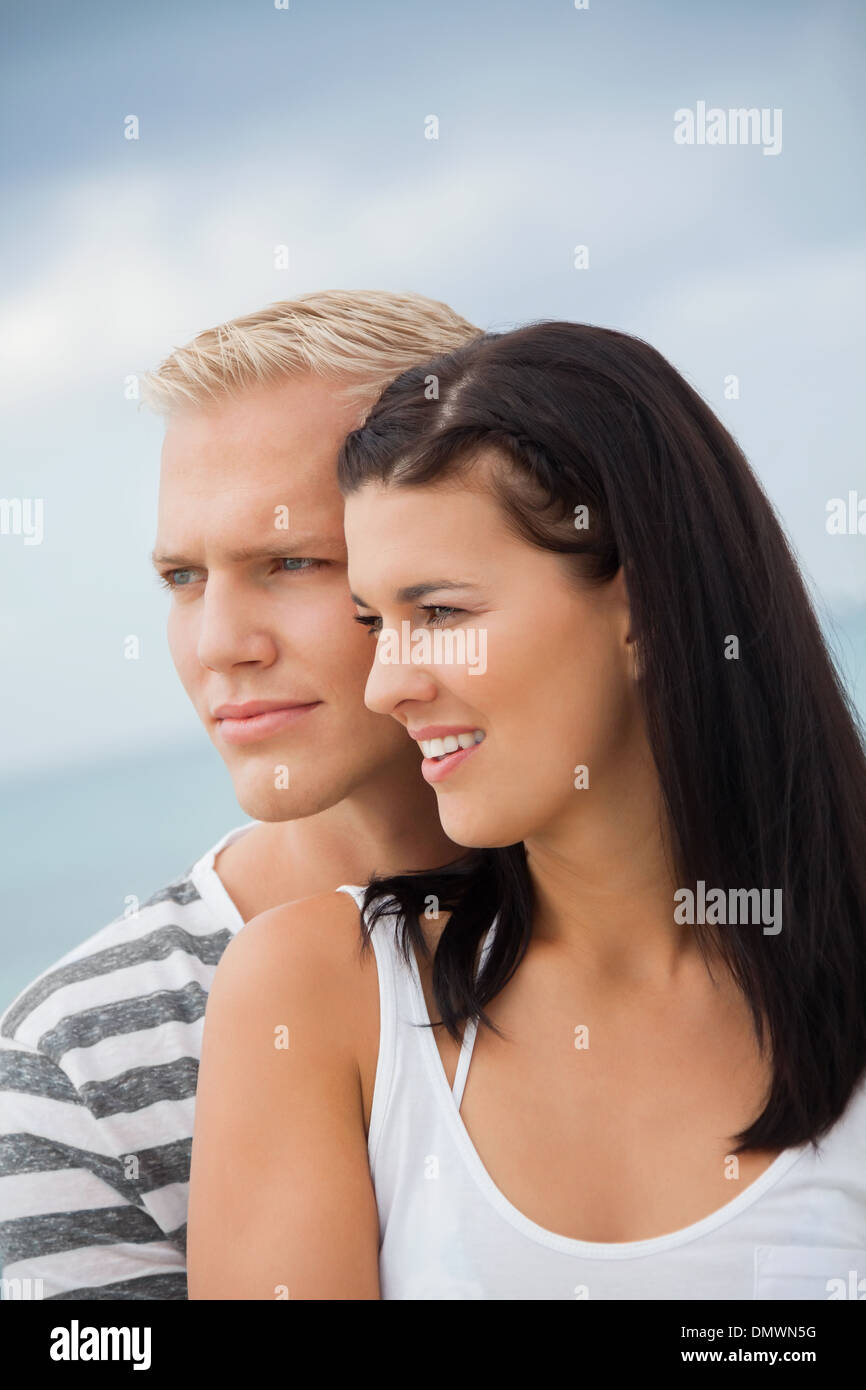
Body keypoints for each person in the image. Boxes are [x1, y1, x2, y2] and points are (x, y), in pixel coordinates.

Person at [187, 321, 866, 1300]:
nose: (387, 685)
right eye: (376, 623)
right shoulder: (316, 997)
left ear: (641, 605)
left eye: (442, 614)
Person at [0, 290, 482, 1300]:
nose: (220, 642)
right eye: (183, 576)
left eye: (291, 562)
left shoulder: (691, 931)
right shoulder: (75, 1066)